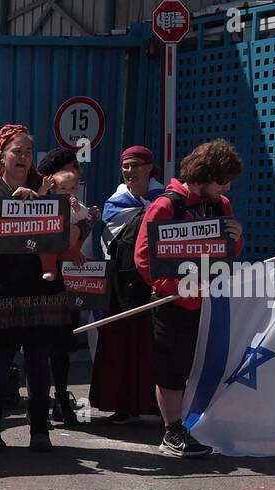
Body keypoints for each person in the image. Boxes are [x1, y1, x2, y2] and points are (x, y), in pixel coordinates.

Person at [0, 124, 83, 453]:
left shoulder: (45, 188)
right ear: (1, 157)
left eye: (28, 152)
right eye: (16, 151)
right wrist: (8, 207)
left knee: (38, 364)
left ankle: (39, 431)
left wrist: (78, 216)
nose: (23, 157)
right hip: (1, 291)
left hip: (41, 291)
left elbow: (69, 221)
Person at [134, 139, 244, 457]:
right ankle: (173, 431)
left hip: (209, 302)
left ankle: (197, 424)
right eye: (223, 181)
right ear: (203, 176)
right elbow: (144, 258)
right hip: (172, 304)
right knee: (172, 368)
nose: (228, 187)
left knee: (202, 366)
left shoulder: (220, 204)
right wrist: (175, 288)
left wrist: (235, 240)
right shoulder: (166, 206)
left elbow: (226, 254)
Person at [89, 145, 166, 423]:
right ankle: (122, 405)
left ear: (149, 168)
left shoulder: (165, 200)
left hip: (153, 283)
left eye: (135, 166)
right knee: (119, 345)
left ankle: (159, 406)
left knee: (151, 346)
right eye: (125, 167)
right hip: (121, 282)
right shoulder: (116, 202)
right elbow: (108, 241)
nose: (129, 172)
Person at [35, 147, 97, 426]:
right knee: (40, 349)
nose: (79, 172)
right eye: (73, 166)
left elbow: (81, 228)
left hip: (68, 279)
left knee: (63, 347)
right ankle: (40, 403)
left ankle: (62, 399)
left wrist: (77, 245)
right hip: (43, 281)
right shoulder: (42, 198)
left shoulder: (74, 201)